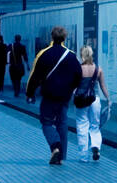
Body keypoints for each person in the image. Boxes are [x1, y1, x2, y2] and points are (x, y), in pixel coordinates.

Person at [26, 27, 82, 164]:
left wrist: (30, 93)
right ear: (65, 38)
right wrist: (71, 90)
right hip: (64, 96)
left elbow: (34, 75)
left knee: (46, 122)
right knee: (62, 123)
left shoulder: (44, 54)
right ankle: (62, 156)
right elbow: (79, 76)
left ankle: (55, 147)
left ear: (51, 37)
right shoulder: (71, 55)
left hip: (49, 95)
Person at [74, 45, 111, 163]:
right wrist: (108, 99)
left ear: (82, 55)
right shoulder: (98, 69)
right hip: (95, 100)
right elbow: (103, 86)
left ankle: (83, 156)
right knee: (95, 126)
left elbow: (73, 86)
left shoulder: (78, 69)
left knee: (82, 126)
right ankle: (96, 147)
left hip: (81, 100)